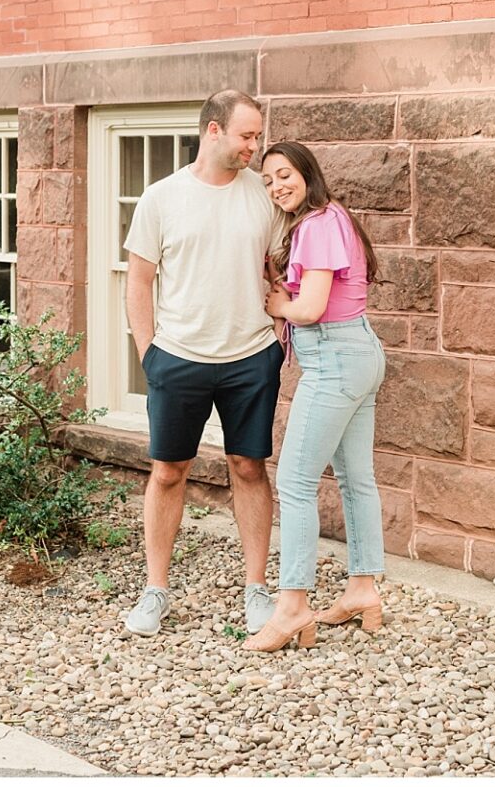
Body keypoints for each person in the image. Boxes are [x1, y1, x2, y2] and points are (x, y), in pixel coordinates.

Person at [122, 90, 285, 637]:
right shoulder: (162, 198)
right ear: (213, 131)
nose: (254, 147)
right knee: (169, 472)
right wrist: (150, 354)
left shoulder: (263, 197)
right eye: (247, 135)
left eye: (258, 136)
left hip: (250, 358)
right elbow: (138, 282)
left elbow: (276, 267)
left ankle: (257, 589)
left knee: (249, 468)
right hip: (179, 358)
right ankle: (155, 590)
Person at [243, 140, 387, 652]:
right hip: (359, 354)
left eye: (285, 174)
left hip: (334, 361)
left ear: (307, 173)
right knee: (356, 479)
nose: (277, 185)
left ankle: (292, 606)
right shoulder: (330, 218)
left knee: (295, 482)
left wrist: (282, 304)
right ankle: (363, 590)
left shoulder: (318, 224)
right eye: (268, 180)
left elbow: (312, 308)